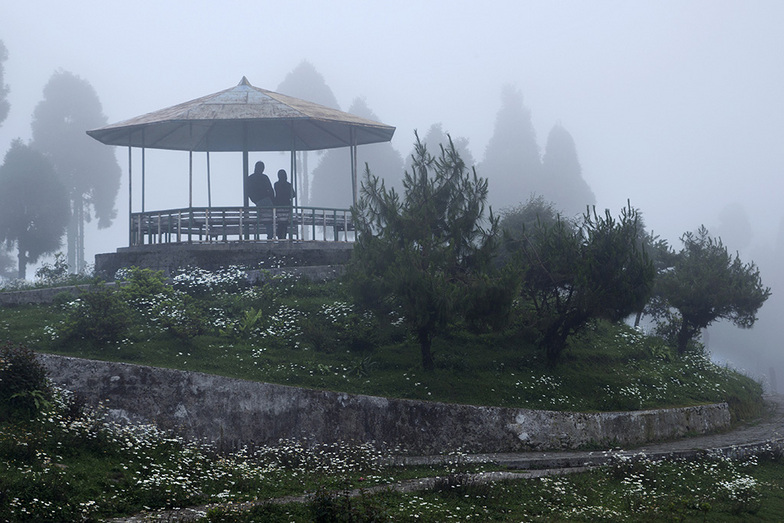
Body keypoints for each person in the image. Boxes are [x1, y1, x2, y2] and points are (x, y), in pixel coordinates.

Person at [245, 161, 274, 238]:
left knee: (264, 218)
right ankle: (270, 235)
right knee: (270, 218)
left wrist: (255, 200)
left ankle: (266, 235)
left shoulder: (250, 178)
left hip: (258, 201)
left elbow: (248, 192)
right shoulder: (264, 177)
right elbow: (271, 190)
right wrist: (272, 200)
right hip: (267, 200)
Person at [273, 169, 296, 239]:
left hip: (278, 205)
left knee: (280, 221)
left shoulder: (276, 184)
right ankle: (283, 236)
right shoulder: (289, 185)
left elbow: (276, 194)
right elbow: (294, 195)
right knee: (285, 222)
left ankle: (280, 235)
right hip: (287, 206)